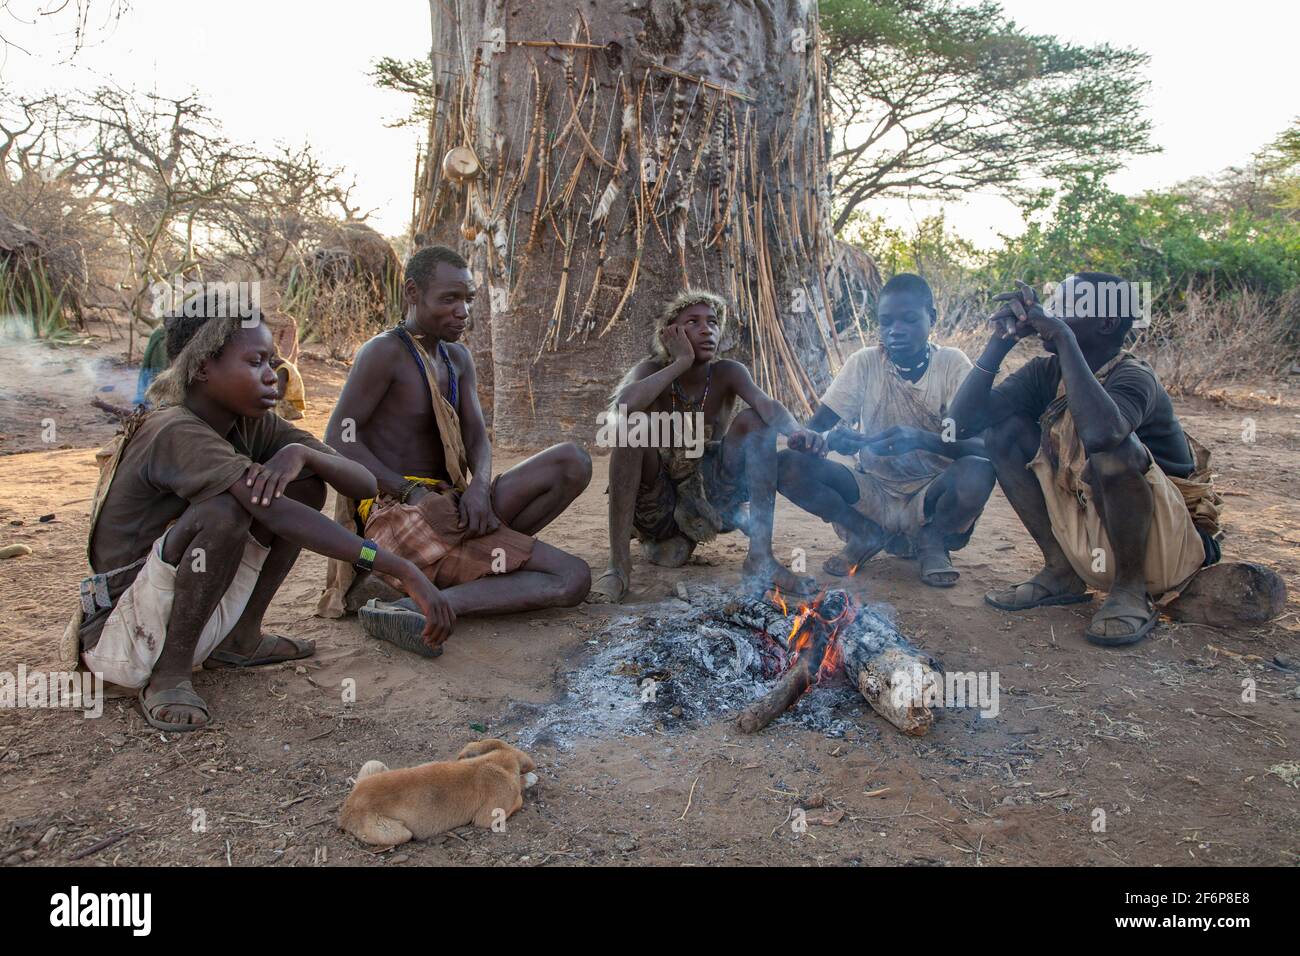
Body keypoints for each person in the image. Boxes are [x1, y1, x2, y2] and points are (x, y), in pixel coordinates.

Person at [75, 294, 447, 731]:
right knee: (225, 511)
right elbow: (277, 516)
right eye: (256, 363)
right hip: (122, 632)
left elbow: (363, 483)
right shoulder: (173, 429)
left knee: (303, 484)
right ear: (201, 368)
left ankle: (239, 639)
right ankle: (169, 675)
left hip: (178, 610)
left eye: (272, 362)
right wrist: (399, 567)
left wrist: (301, 455)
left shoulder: (250, 423)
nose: (275, 378)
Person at [319, 245, 592, 653]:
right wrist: (412, 492)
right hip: (400, 512)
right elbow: (338, 437)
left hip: (452, 505)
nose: (462, 310)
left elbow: (478, 438)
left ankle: (442, 582)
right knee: (573, 578)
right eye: (449, 299)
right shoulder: (384, 353)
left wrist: (480, 487)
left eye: (468, 299)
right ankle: (429, 605)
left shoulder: (457, 358)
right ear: (413, 292)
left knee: (573, 460)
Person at [949, 274, 1223, 646]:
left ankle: (1130, 590)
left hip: (1168, 545)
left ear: (1107, 323)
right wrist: (999, 344)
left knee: (1113, 450)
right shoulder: (1045, 373)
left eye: (1065, 310)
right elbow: (961, 425)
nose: (1050, 315)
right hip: (1097, 530)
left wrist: (1061, 337)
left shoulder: (1133, 376)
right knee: (1003, 434)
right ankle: (1061, 570)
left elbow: (1103, 437)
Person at [585, 289, 823, 603]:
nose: (706, 329)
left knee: (754, 422)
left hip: (711, 500)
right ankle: (618, 567)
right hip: (658, 504)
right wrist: (680, 361)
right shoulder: (650, 372)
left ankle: (761, 560)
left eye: (712, 322)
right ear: (671, 333)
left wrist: (796, 431)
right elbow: (626, 406)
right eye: (693, 322)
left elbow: (769, 407)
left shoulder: (728, 373)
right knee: (631, 427)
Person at [778, 274, 995, 587]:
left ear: (931, 318)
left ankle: (932, 541)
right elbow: (816, 427)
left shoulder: (952, 364)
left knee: (979, 471)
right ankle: (864, 533)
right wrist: (825, 440)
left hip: (932, 493)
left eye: (908, 320)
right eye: (886, 322)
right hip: (873, 491)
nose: (896, 331)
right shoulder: (865, 362)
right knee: (788, 465)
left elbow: (984, 446)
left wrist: (923, 440)